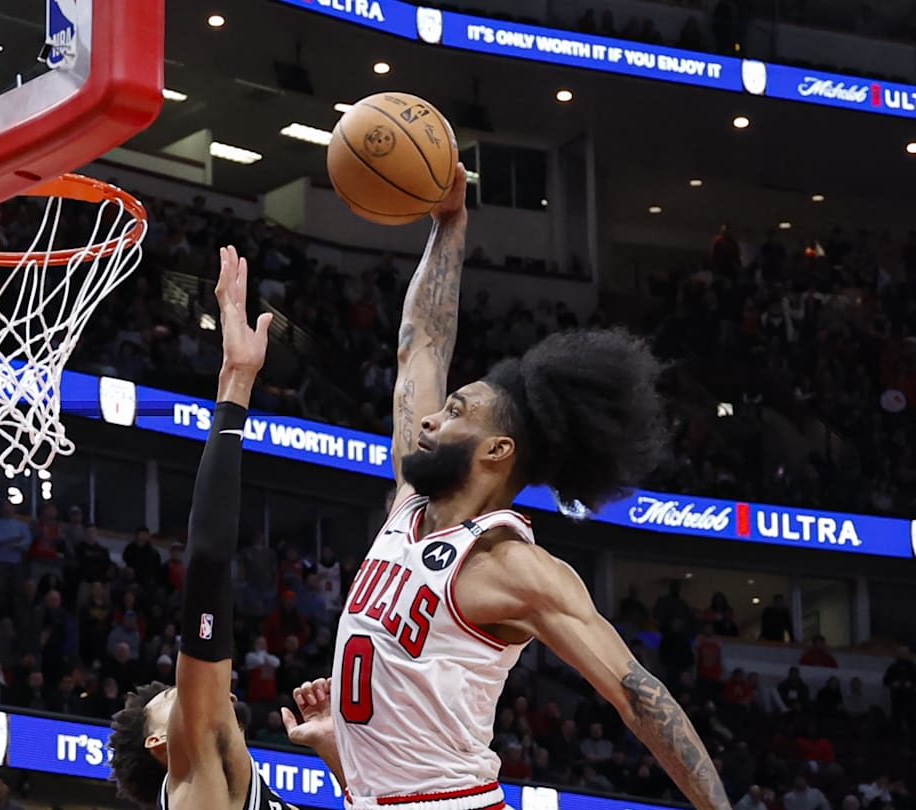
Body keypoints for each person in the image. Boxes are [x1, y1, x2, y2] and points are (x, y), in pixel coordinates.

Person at [330, 166, 729, 810]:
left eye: (455, 412)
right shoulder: (410, 503)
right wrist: (450, 225)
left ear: (497, 451)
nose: (431, 418)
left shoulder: (515, 566)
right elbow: (422, 348)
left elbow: (638, 695)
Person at [107, 247, 342, 809]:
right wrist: (234, 386)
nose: (189, 683)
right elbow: (209, 561)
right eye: (175, 690)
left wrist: (339, 758)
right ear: (164, 745)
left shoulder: (241, 791)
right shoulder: (196, 779)